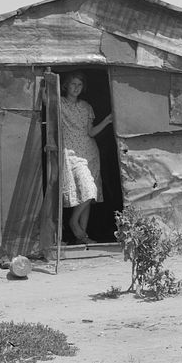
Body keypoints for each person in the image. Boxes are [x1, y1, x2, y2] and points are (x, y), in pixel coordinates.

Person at [59, 72, 113, 243]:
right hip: (72, 153)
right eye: (73, 84)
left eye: (80, 85)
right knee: (90, 190)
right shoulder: (59, 103)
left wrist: (107, 120)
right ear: (66, 85)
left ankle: (82, 236)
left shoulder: (86, 106)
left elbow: (91, 132)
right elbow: (45, 99)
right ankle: (73, 223)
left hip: (90, 153)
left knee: (87, 198)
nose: (76, 88)